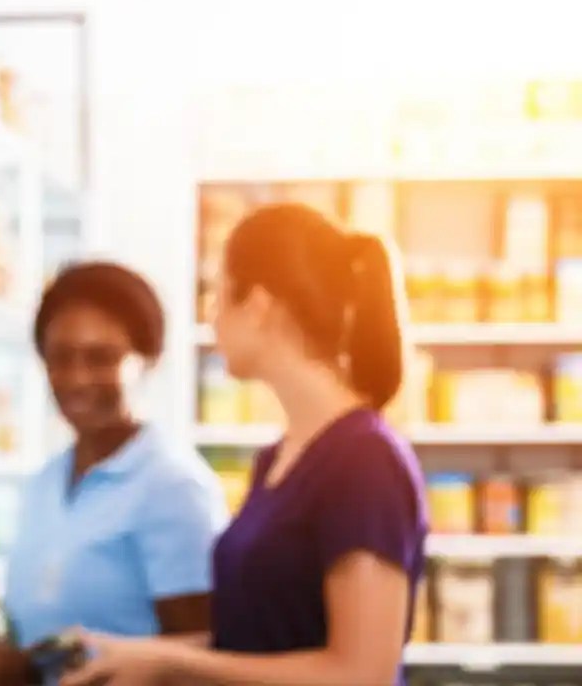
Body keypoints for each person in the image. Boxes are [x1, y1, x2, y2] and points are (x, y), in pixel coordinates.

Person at [62, 204, 429, 686]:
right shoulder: (278, 459)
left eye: (217, 295)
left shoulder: (365, 460)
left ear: (257, 306)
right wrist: (138, 655)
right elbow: (258, 641)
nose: (211, 318)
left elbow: (361, 674)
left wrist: (173, 663)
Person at [0, 262, 229, 686]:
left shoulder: (173, 487)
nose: (77, 379)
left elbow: (202, 662)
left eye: (101, 358)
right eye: (60, 358)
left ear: (147, 359)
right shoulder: (44, 483)